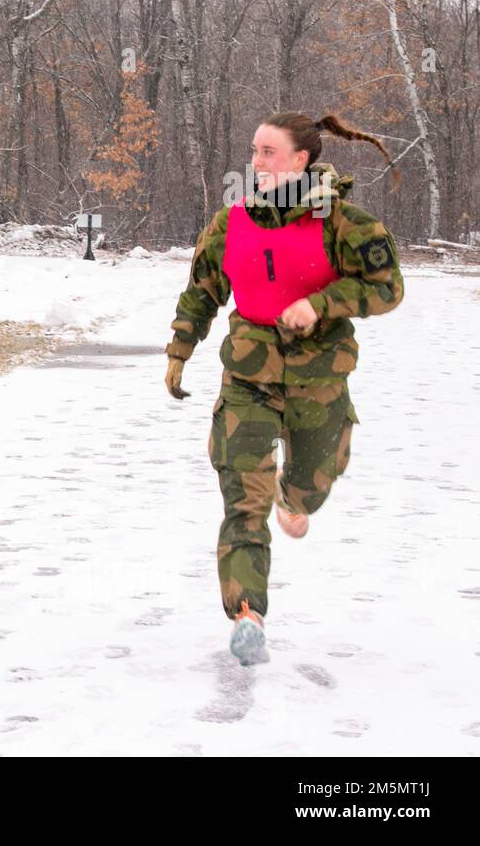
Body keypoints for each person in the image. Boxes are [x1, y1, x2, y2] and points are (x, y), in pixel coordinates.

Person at [164, 113, 404, 665]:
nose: (257, 162)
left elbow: (388, 288)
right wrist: (180, 346)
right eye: (254, 151)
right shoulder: (232, 221)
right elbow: (203, 289)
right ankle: (247, 614)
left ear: (301, 160)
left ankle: (296, 500)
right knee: (243, 502)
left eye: (269, 152)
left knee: (309, 485)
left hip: (320, 382)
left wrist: (321, 304)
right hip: (248, 379)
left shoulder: (344, 223)